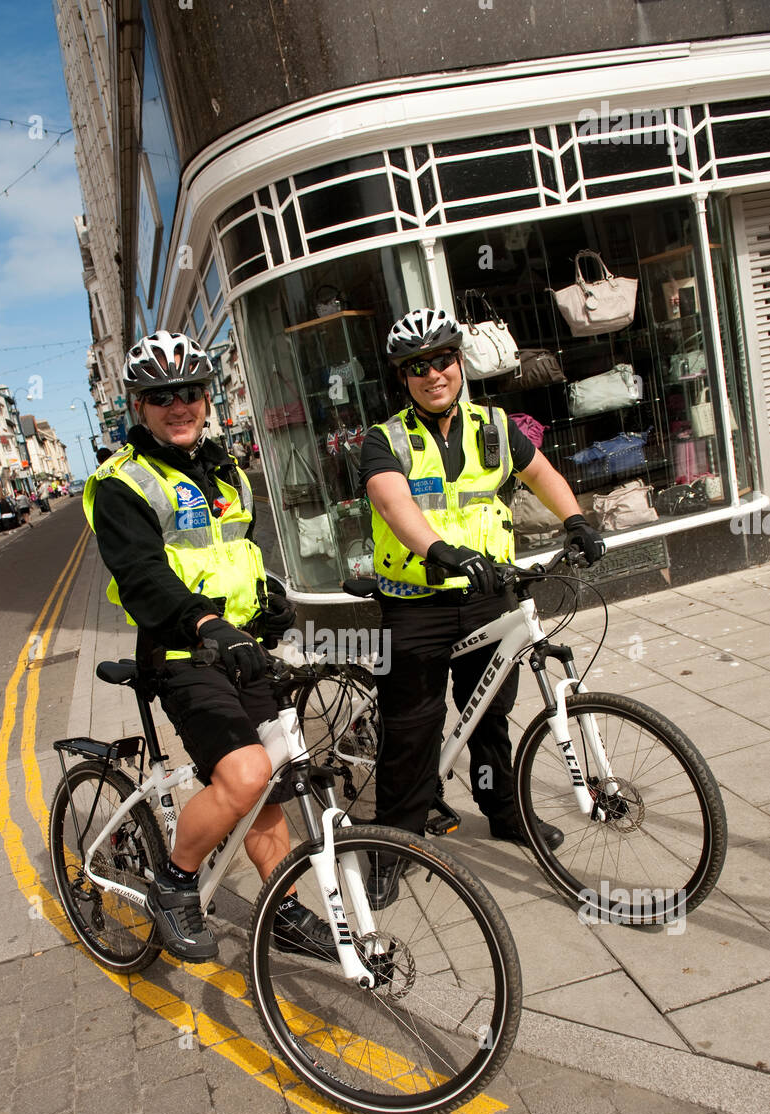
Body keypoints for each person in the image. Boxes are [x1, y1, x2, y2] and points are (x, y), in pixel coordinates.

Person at [83, 329, 324, 965]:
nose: (179, 405)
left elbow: (239, 552)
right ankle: (175, 882)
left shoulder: (227, 471)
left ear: (207, 396)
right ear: (138, 406)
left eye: (190, 391)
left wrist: (270, 597)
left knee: (267, 780)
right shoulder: (122, 483)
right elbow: (142, 578)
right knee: (245, 772)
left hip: (237, 648)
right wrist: (204, 624)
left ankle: (285, 906)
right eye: (161, 396)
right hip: (182, 653)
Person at [359, 308, 605, 895]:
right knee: (412, 729)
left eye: (442, 360)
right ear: (403, 377)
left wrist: (575, 520)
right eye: (417, 367)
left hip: (489, 595)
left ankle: (503, 809)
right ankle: (393, 842)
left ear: (459, 362)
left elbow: (542, 473)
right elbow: (394, 504)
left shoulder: (495, 425)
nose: (433, 374)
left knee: (490, 714)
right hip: (415, 603)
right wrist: (440, 550)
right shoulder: (383, 438)